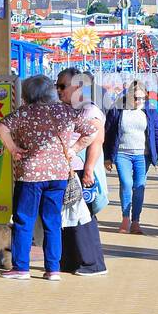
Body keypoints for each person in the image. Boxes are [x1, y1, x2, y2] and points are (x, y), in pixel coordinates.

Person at [0, 73, 97, 280]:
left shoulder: (24, 113)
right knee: (52, 221)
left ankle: (21, 268)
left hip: (30, 175)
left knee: (24, 220)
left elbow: (1, 127)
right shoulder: (66, 112)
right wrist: (74, 148)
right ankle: (53, 269)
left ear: (28, 94)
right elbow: (92, 131)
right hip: (58, 174)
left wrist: (14, 149)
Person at [56, 68, 109, 277]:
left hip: (83, 172)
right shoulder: (69, 109)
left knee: (83, 218)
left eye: (63, 86)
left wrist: (87, 170)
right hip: (70, 171)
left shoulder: (89, 110)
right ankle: (71, 260)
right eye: (56, 86)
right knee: (69, 217)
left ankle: (92, 262)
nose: (58, 91)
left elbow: (97, 139)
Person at [104, 78, 158, 234]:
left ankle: (136, 221)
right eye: (135, 97)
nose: (138, 101)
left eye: (141, 98)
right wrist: (107, 156)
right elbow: (108, 132)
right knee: (126, 183)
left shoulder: (150, 110)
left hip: (143, 155)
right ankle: (125, 218)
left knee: (139, 186)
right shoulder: (117, 109)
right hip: (122, 154)